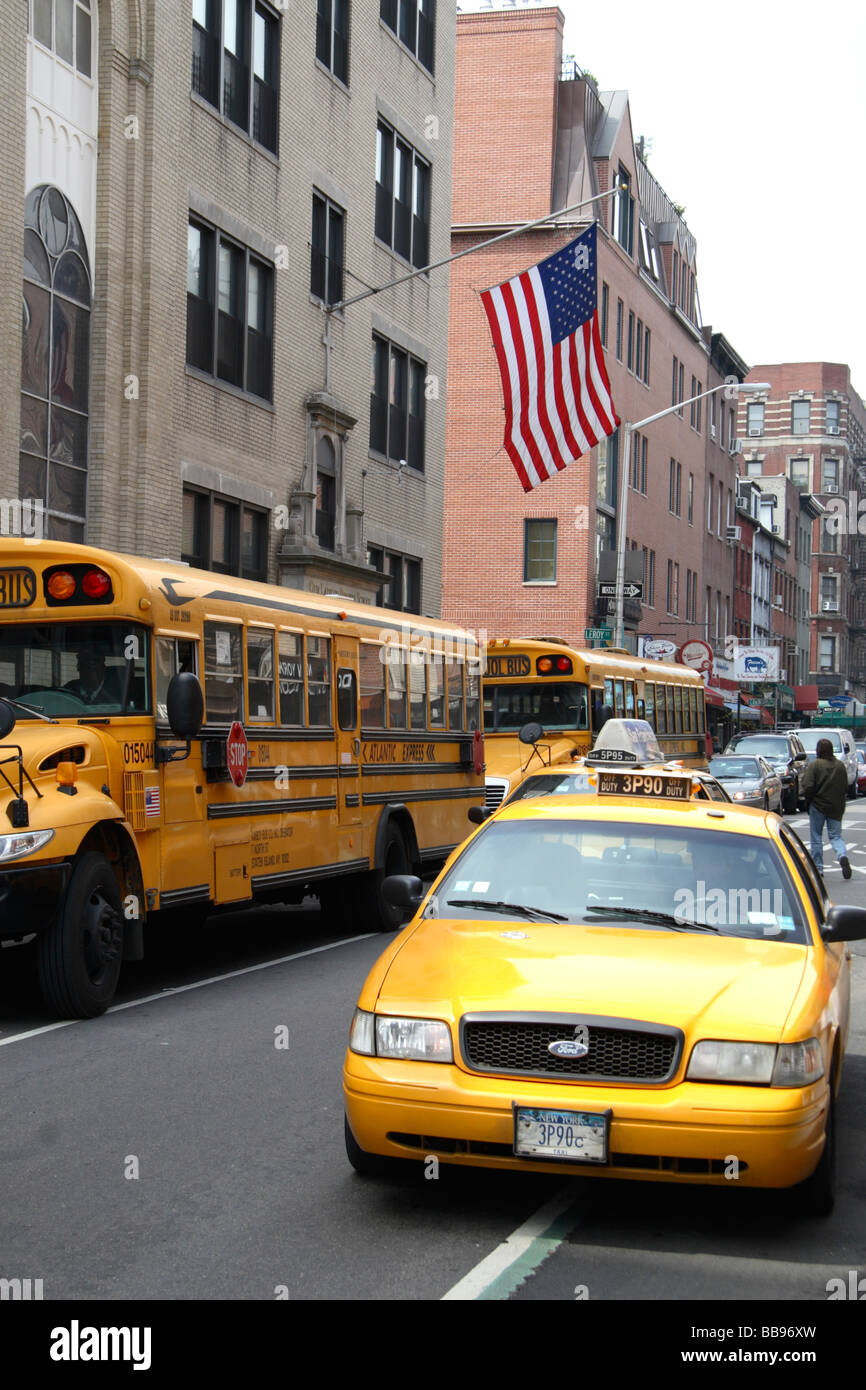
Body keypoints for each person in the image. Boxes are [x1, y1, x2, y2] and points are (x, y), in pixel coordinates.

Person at [802, 738, 852, 879]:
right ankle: (842, 855)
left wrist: (808, 800)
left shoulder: (815, 765)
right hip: (836, 806)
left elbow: (808, 786)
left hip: (818, 805)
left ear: (819, 750)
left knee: (816, 837)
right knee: (836, 836)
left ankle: (818, 869)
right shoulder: (840, 765)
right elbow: (845, 787)